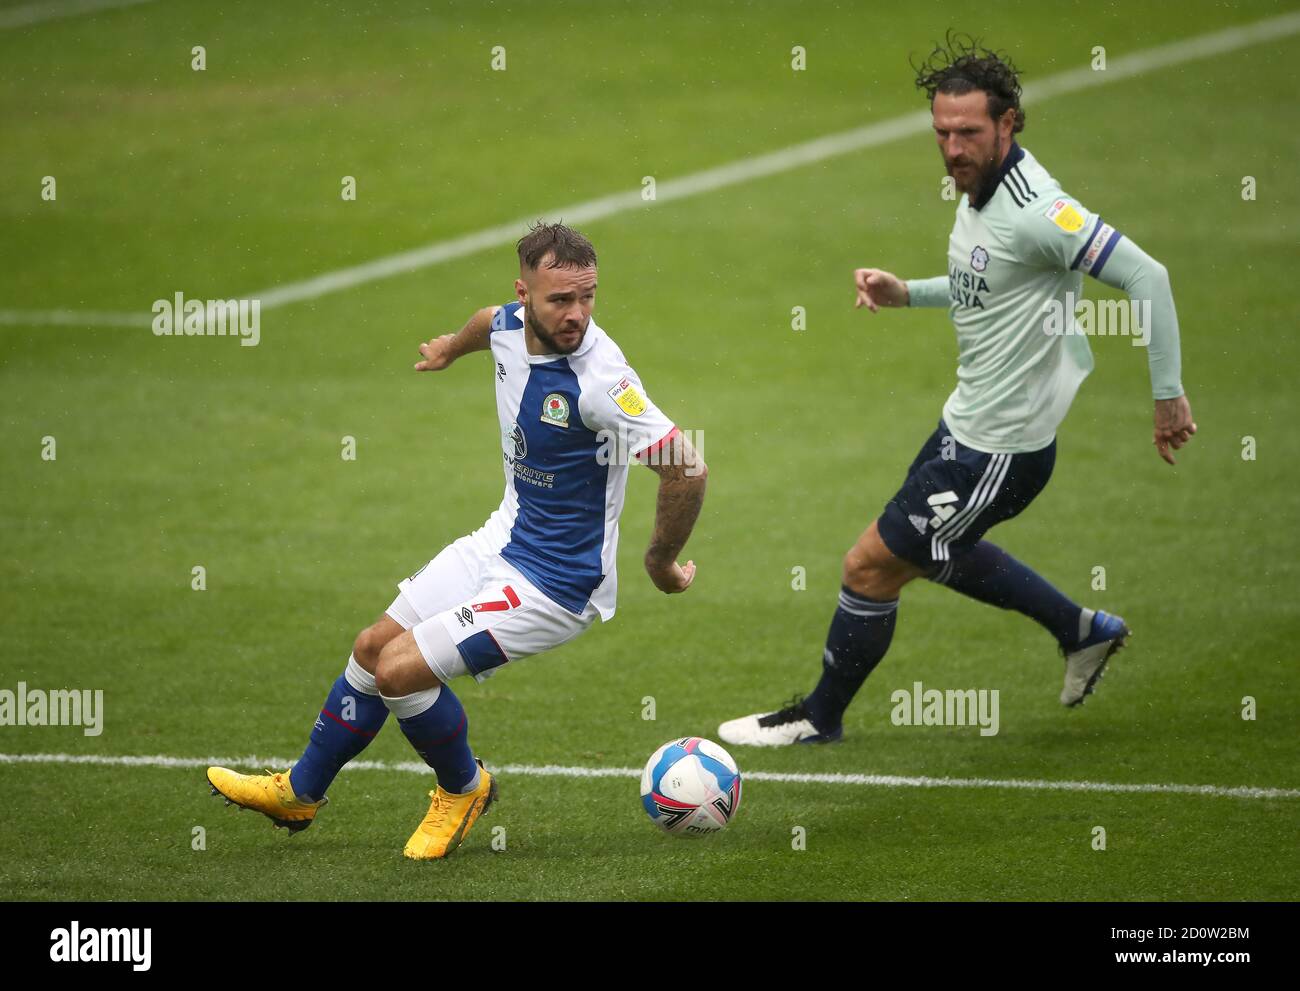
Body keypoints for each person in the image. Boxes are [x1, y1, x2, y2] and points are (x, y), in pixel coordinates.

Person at [719, 34, 1194, 747]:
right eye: (941, 131)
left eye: (969, 131)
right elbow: (988, 285)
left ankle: (819, 718)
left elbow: (1147, 276)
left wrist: (1168, 395)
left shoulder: (1041, 210)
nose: (952, 147)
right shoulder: (981, 192)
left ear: (1008, 123)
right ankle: (1081, 630)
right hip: (966, 425)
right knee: (938, 550)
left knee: (870, 565)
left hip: (997, 449)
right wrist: (907, 292)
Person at [208, 222, 707, 855]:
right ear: (524, 293)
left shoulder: (601, 381)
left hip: (557, 584)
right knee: (371, 648)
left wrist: (659, 561)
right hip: (502, 536)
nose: (577, 314)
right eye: (560, 300)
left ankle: (464, 787)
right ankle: (299, 793)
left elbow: (687, 466)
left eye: (588, 297)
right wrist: (450, 347)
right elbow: (486, 321)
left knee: (399, 672)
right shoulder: (507, 325)